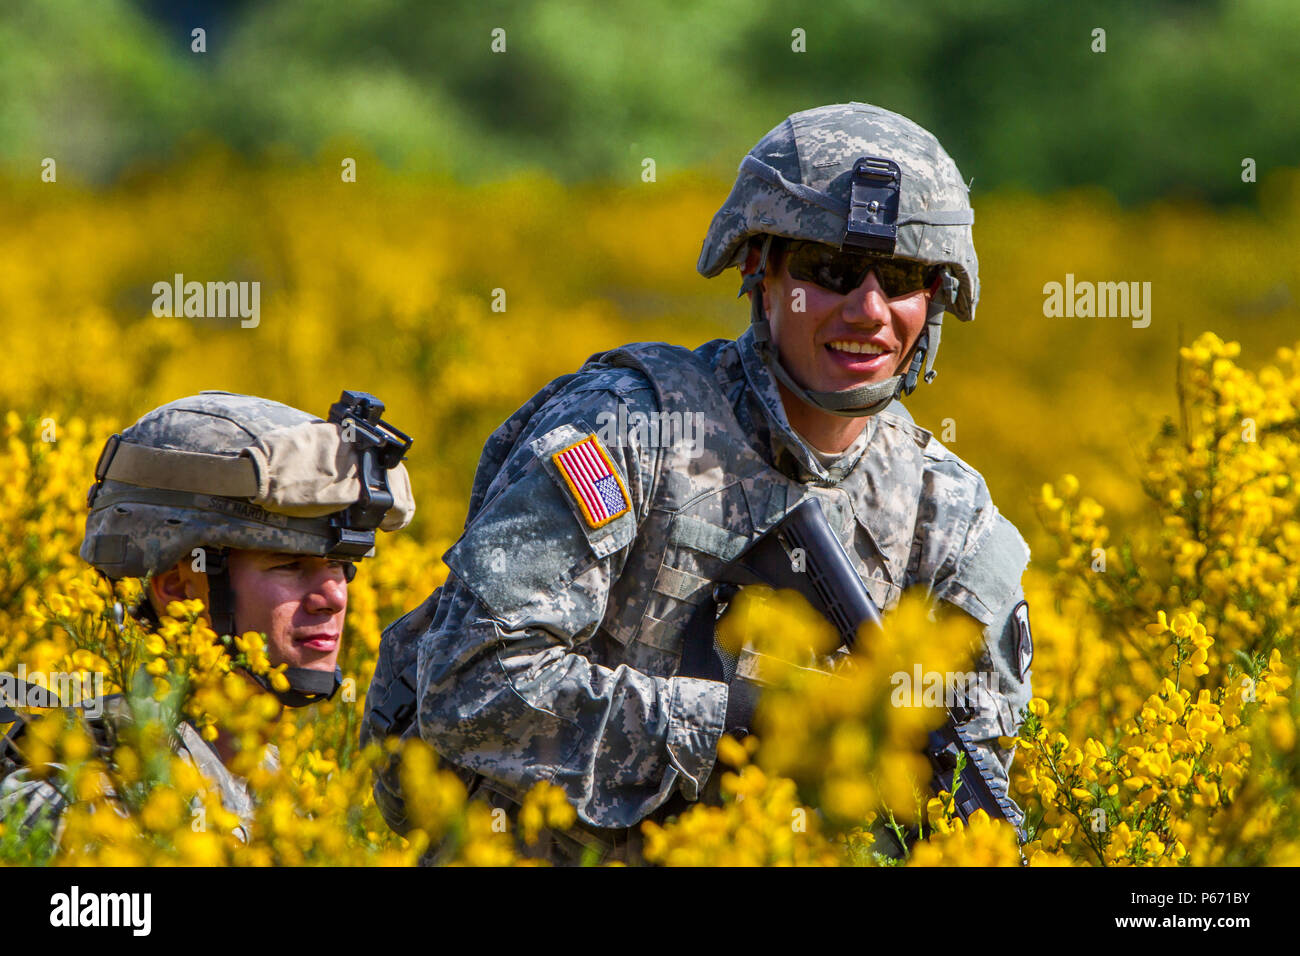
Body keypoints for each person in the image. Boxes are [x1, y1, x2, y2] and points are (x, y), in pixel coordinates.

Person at [364, 102, 1035, 863]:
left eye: (906, 279)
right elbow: (467, 684)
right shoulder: (629, 431)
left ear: (936, 299)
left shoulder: (951, 518)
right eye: (830, 271)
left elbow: (978, 762)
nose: (869, 310)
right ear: (760, 268)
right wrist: (740, 720)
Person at [0, 389, 414, 850]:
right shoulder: (88, 800)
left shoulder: (288, 791)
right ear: (179, 587)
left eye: (341, 566)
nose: (334, 597)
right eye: (289, 565)